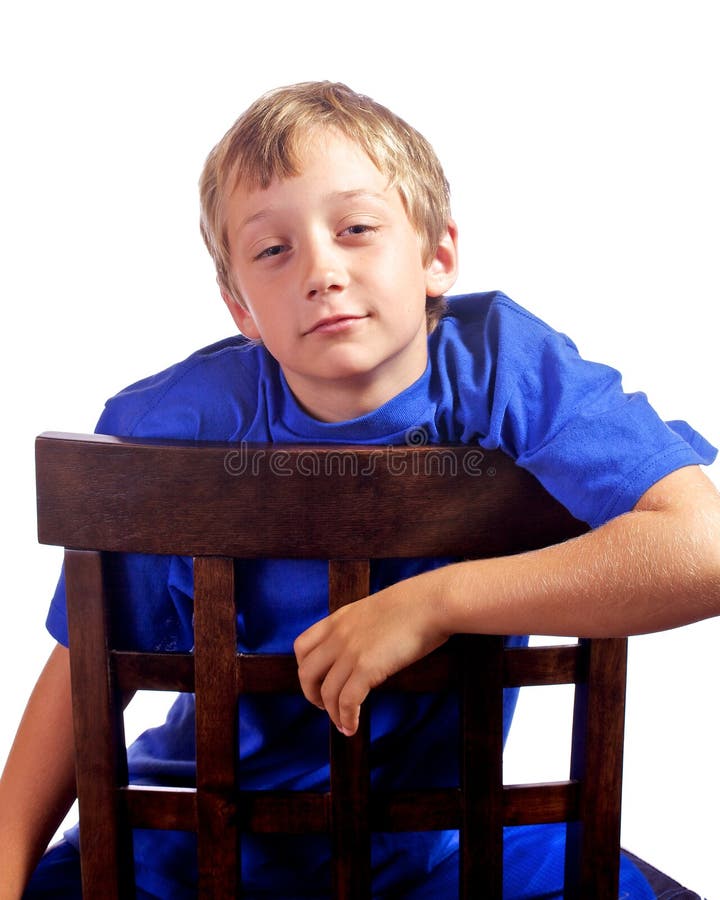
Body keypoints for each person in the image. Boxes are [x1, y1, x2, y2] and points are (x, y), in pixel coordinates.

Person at [2, 81, 719, 899]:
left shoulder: (507, 370)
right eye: (274, 250)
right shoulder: (174, 424)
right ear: (241, 307)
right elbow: (85, 668)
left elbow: (705, 548)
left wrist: (434, 604)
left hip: (444, 851)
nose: (322, 271)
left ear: (436, 257)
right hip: (191, 852)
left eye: (356, 229)